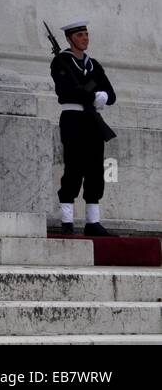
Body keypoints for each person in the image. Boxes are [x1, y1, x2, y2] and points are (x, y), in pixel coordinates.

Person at [52, 20, 117, 236]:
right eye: (80, 35)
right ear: (70, 39)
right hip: (72, 118)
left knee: (95, 169)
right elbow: (65, 92)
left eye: (86, 34)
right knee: (74, 167)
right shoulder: (61, 62)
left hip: (92, 121)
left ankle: (93, 221)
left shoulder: (94, 65)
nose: (85, 38)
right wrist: (93, 95)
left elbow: (112, 95)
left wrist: (103, 96)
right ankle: (67, 220)